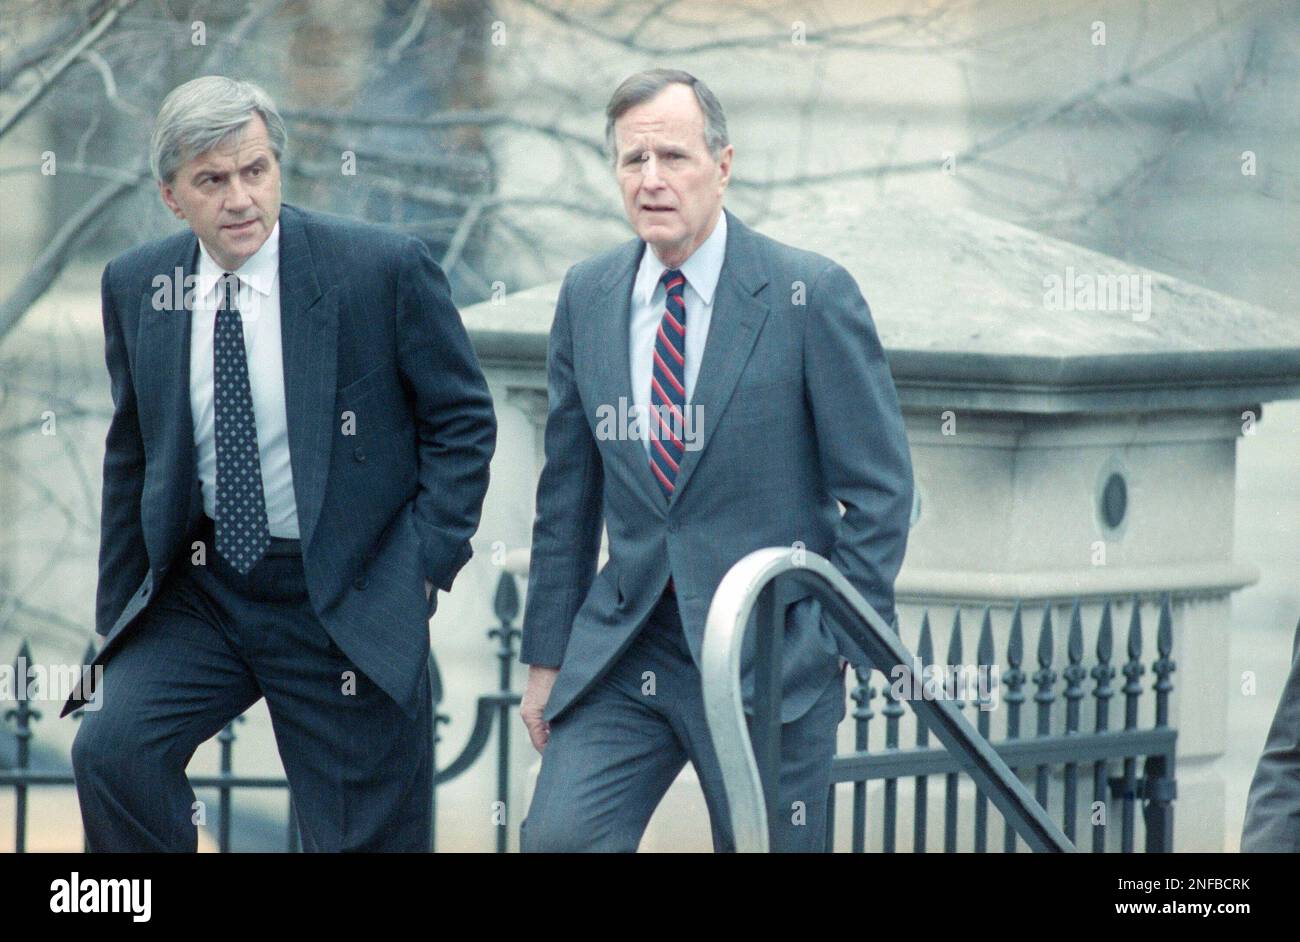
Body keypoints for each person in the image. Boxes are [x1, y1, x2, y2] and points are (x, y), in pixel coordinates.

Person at [64, 76, 497, 852]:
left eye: (254, 171)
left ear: (277, 170)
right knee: (111, 749)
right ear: (172, 196)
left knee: (358, 837)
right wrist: (117, 625)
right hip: (204, 589)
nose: (239, 198)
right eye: (212, 180)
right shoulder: (137, 285)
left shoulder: (380, 269)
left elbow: (461, 421)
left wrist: (421, 569)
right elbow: (131, 455)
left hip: (343, 589)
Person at [517, 69, 913, 852]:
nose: (652, 179)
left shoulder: (809, 294)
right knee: (558, 840)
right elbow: (567, 498)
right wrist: (546, 657)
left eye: (674, 157)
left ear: (723, 166)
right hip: (627, 649)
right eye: (634, 161)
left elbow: (881, 492)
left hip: (767, 656)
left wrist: (829, 641)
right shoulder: (587, 294)